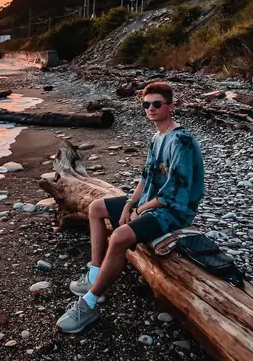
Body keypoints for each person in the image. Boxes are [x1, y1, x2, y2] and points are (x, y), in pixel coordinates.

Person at [56, 81, 205, 334]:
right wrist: (129, 204)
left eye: (156, 104)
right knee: (96, 208)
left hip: (173, 211)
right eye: (146, 104)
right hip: (152, 202)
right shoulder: (157, 137)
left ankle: (89, 304)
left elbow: (174, 193)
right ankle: (94, 274)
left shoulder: (182, 141)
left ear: (170, 106)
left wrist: (140, 210)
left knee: (119, 236)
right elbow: (146, 178)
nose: (150, 108)